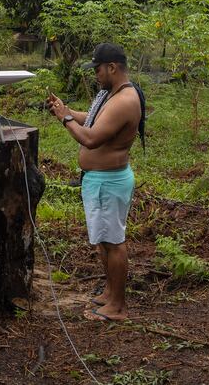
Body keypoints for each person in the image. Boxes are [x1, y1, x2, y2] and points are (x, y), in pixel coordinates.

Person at [47, 42, 143, 322]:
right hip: (100, 180)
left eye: (98, 69)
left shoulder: (124, 100)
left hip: (108, 182)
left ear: (112, 67)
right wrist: (64, 111)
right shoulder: (112, 94)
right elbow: (91, 121)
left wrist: (65, 119)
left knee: (114, 243)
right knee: (103, 241)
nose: (96, 74)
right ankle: (111, 293)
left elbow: (89, 137)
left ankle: (118, 306)